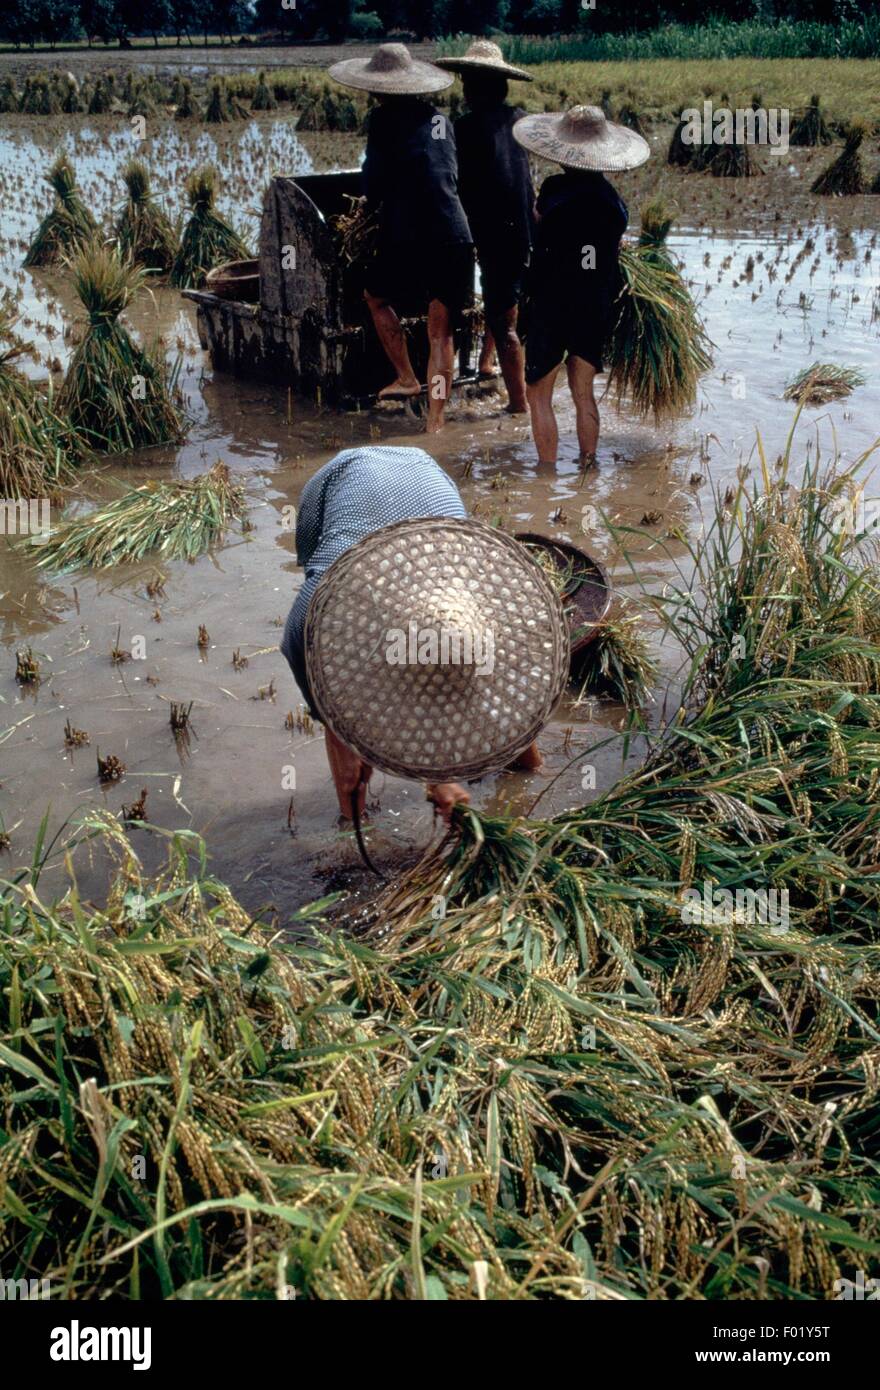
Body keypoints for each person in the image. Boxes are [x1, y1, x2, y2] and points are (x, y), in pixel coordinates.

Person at [280, 446, 563, 826]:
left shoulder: (473, 606)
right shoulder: (324, 608)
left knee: (458, 659)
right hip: (343, 475)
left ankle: (531, 769)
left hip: (427, 472)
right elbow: (313, 659)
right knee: (345, 741)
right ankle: (354, 826)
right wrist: (342, 734)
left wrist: (441, 777)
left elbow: (505, 699)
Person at [328, 44, 474, 434]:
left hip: (410, 235)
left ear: (379, 89)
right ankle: (436, 423)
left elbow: (373, 183)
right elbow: (445, 172)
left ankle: (407, 376)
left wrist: (371, 207)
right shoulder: (442, 120)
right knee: (440, 333)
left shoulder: (382, 121)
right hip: (455, 232)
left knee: (375, 297)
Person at [512, 106, 650, 467]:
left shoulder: (555, 191)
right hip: (593, 305)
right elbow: (602, 249)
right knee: (583, 391)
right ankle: (589, 463)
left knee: (538, 394)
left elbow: (542, 235)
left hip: (553, 303)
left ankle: (546, 474)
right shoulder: (613, 204)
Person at [436, 40, 535, 415]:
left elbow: (455, 180)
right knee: (502, 305)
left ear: (477, 88)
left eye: (467, 83)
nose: (463, 89)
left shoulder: (465, 127)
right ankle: (485, 364)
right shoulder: (521, 120)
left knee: (503, 318)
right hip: (522, 228)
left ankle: (519, 404)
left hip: (496, 232)